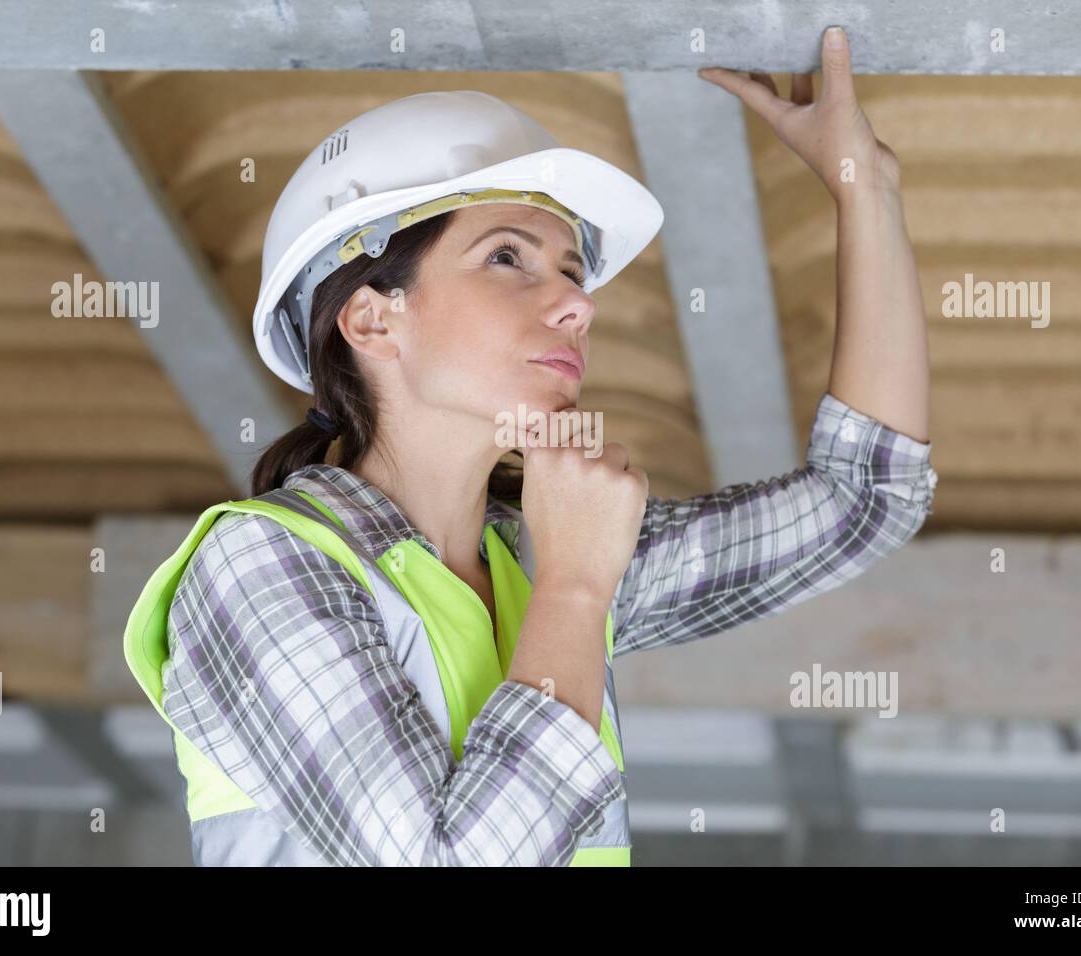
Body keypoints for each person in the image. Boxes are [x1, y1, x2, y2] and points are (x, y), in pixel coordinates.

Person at [123, 25, 936, 866]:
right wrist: (581, 590)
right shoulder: (258, 566)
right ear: (371, 317)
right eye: (508, 256)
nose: (576, 305)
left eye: (574, 272)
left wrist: (864, 187)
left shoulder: (533, 557)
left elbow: (866, 496)